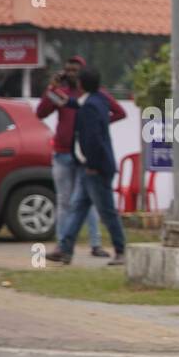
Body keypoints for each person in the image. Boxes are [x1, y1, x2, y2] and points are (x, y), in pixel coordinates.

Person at [36, 54, 127, 257]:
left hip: (93, 166)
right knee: (77, 205)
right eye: (68, 70)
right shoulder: (90, 101)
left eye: (75, 72)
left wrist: (92, 164)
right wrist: (52, 88)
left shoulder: (91, 106)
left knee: (105, 210)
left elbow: (93, 138)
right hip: (80, 161)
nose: (70, 75)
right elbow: (64, 105)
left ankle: (119, 250)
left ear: (83, 81)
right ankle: (65, 249)